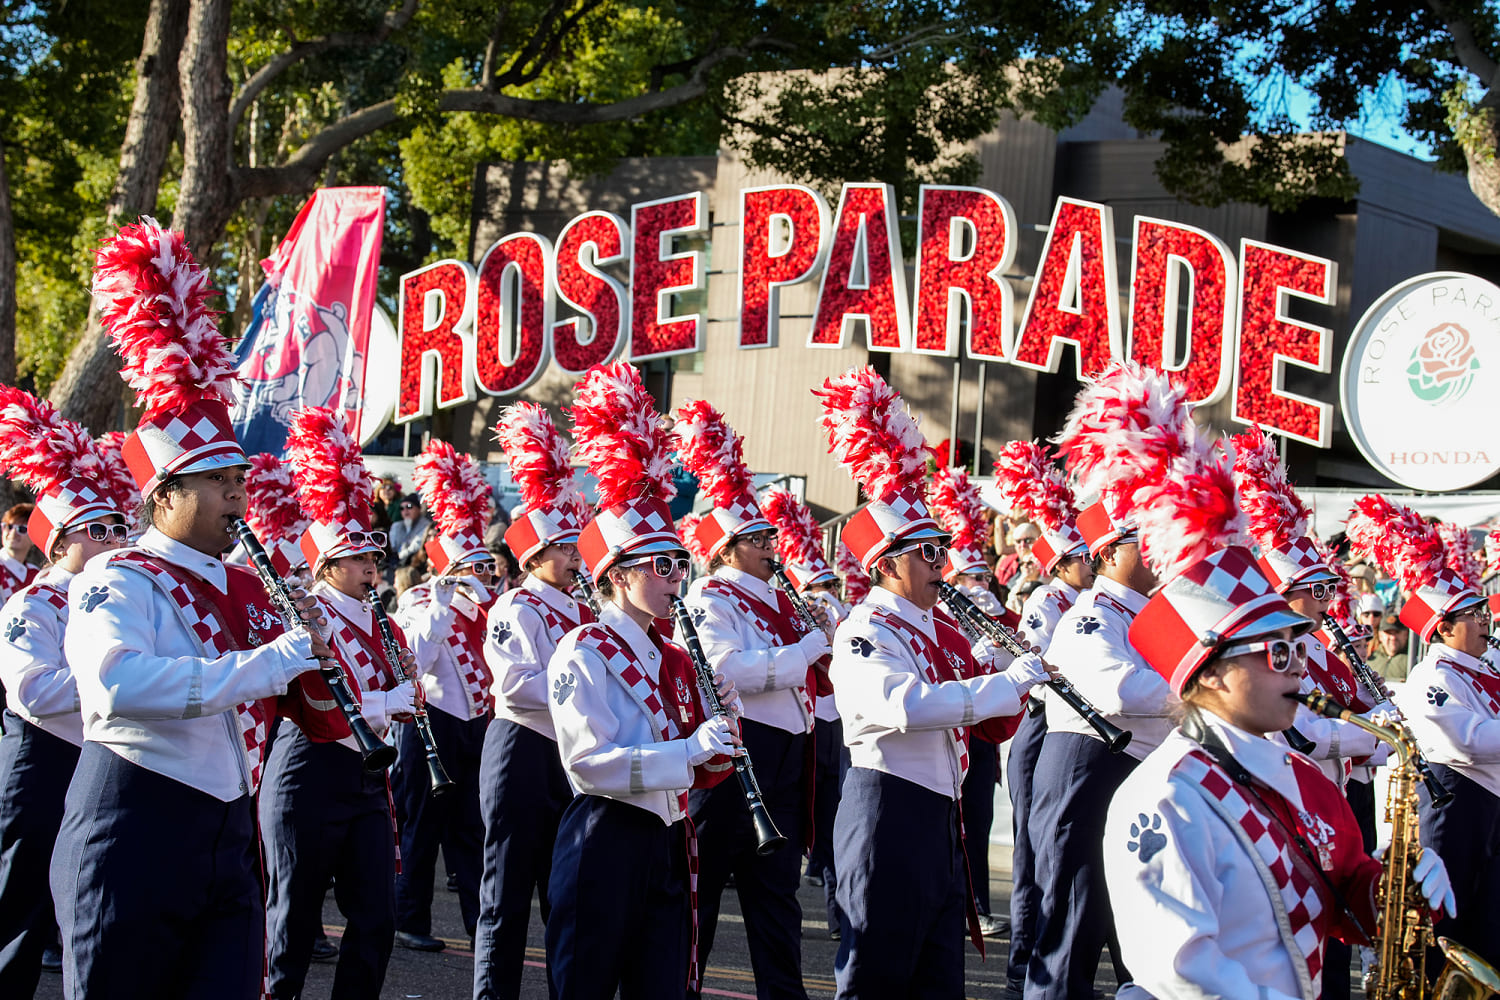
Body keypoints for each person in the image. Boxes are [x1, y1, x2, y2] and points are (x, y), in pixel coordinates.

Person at [1104, 368, 1454, 1000]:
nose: (1297, 664)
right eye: (1277, 651)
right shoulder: (1163, 797)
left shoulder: (1306, 777)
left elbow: (1346, 892)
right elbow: (1182, 971)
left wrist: (1395, 887)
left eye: (1299, 646)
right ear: (1207, 671)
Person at [52, 217, 332, 1000]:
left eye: (240, 482)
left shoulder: (247, 584)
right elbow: (117, 687)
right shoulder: (119, 577)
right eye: (218, 485)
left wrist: (318, 668)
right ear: (164, 493)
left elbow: (297, 707)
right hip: (134, 820)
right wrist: (267, 663)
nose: (236, 499)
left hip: (227, 830)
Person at [815, 366, 1051, 999]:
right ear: (886, 563)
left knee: (938, 981)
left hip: (941, 817)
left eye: (940, 547)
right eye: (926, 552)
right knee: (875, 978)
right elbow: (902, 705)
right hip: (887, 807)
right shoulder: (865, 627)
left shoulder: (942, 628)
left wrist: (1016, 675)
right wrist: (1003, 684)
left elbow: (991, 721)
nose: (939, 562)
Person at [546, 360, 740, 999]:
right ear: (618, 573)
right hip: (605, 837)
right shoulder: (584, 648)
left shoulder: (678, 658)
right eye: (660, 565)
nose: (674, 578)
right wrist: (689, 749)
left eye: (678, 564)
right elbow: (589, 766)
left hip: (666, 841)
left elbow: (698, 763)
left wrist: (719, 735)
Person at [261, 407, 422, 1000]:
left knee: (377, 917)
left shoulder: (384, 620)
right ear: (327, 563)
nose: (370, 570)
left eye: (374, 560)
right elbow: (324, 700)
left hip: (365, 777)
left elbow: (394, 694)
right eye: (358, 560)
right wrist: (389, 700)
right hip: (310, 767)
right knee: (293, 922)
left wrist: (407, 699)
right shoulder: (304, 611)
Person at [675, 400, 829, 1000]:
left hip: (787, 757)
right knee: (703, 896)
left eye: (769, 536)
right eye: (759, 538)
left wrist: (818, 638)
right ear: (728, 547)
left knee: (777, 904)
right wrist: (808, 648)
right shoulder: (713, 596)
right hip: (739, 756)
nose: (772, 546)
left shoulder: (778, 596)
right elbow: (726, 670)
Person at [0, 389, 130, 996]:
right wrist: (119, 683)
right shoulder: (32, 602)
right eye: (97, 531)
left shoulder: (115, 602)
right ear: (57, 546)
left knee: (84, 908)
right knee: (17, 912)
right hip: (42, 761)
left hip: (96, 763)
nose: (113, 540)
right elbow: (31, 690)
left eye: (118, 528)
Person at [474, 403, 593, 1000]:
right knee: (506, 895)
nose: (577, 557)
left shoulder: (585, 612)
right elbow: (516, 684)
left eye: (576, 547)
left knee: (565, 894)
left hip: (567, 758)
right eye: (566, 549)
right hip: (521, 749)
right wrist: (583, 689)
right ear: (534, 557)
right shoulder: (516, 606)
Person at [1363, 494, 1500, 968]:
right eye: (1474, 615)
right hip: (1455, 804)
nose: (1486, 621)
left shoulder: (1482, 671)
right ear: (1443, 629)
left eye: (1484, 612)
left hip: (1487, 805)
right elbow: (1471, 741)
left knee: (1487, 924)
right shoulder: (1433, 677)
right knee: (1446, 928)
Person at [989, 439, 1094, 994]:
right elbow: (1036, 663)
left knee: (1067, 855)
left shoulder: (1088, 602)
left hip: (1074, 728)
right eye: (1083, 557)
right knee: (1034, 852)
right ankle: (1023, 966)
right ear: (1060, 563)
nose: (1092, 565)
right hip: (1044, 726)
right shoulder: (1045, 603)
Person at [394, 441, 499, 951]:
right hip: (429, 724)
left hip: (474, 725)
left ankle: (480, 925)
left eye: (487, 565)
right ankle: (410, 917)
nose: (485, 575)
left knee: (471, 831)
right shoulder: (419, 601)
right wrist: (437, 612)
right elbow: (415, 662)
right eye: (474, 567)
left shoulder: (493, 610)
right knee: (420, 827)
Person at [761, 487, 849, 938]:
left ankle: (838, 910)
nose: (827, 593)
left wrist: (829, 623)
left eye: (831, 585)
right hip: (802, 725)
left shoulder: (826, 611)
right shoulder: (782, 610)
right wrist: (810, 637)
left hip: (831, 727)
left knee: (833, 819)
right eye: (818, 587)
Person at [0, 503, 38, 605]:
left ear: (35, 537)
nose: (12, 533)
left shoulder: (36, 575)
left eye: (22, 529)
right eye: (9, 526)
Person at [389, 495, 432, 568]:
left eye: (409, 507)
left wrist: (399, 557)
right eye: (402, 508)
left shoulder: (426, 525)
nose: (405, 511)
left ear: (419, 509)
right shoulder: (396, 526)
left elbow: (416, 546)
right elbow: (392, 547)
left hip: (416, 564)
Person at [1368, 614, 1411, 681]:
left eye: (1397, 632)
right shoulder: (1370, 660)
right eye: (1388, 633)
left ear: (1406, 634)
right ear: (1380, 635)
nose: (1393, 637)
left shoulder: (1414, 660)